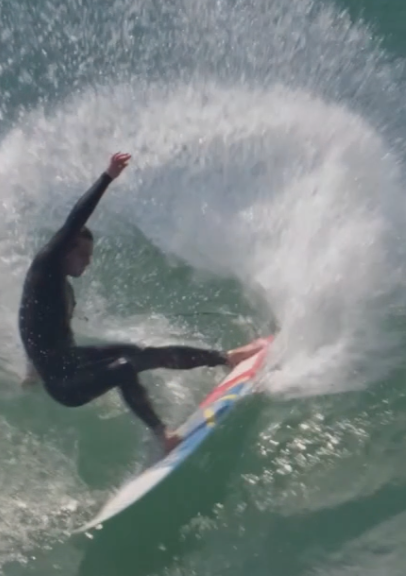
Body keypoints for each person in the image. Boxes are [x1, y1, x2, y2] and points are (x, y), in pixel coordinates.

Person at [19, 152, 268, 454]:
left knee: (136, 353)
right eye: (83, 255)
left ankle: (227, 358)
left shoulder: (61, 289)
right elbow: (75, 220)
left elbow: (35, 324)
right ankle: (161, 434)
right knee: (125, 367)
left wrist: (31, 368)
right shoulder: (46, 267)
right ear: (65, 249)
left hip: (70, 362)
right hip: (64, 385)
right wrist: (107, 177)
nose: (88, 262)